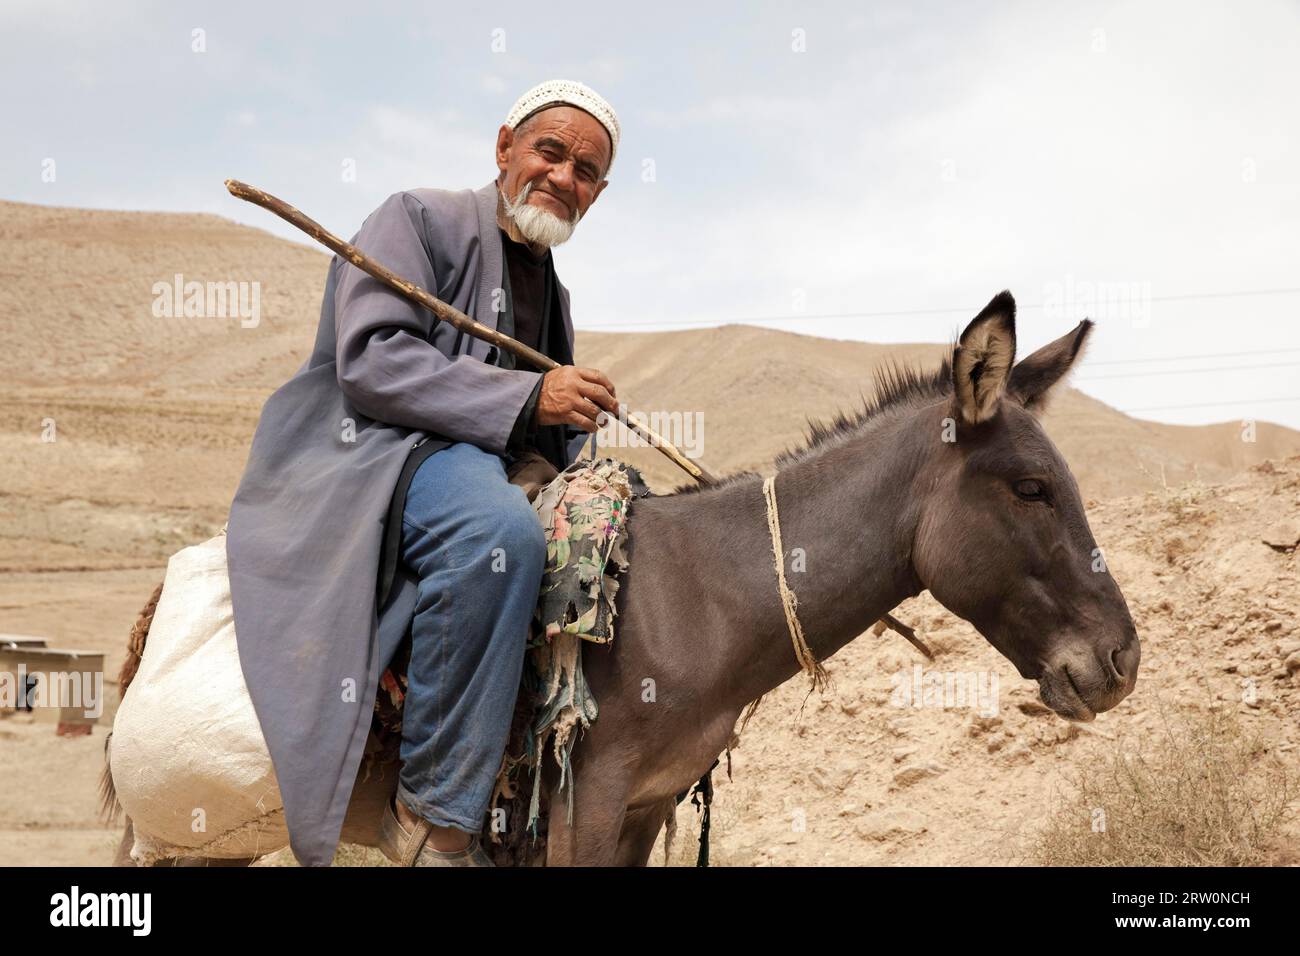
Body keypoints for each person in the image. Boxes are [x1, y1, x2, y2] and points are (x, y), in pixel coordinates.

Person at [225, 79, 621, 867]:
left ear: (597, 194)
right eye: (550, 151)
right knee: (495, 533)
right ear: (505, 146)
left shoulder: (556, 290)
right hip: (376, 448)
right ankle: (430, 818)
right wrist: (531, 394)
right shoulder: (417, 216)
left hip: (481, 461)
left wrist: (573, 429)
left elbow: (537, 422)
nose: (562, 178)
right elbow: (372, 358)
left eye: (584, 171)